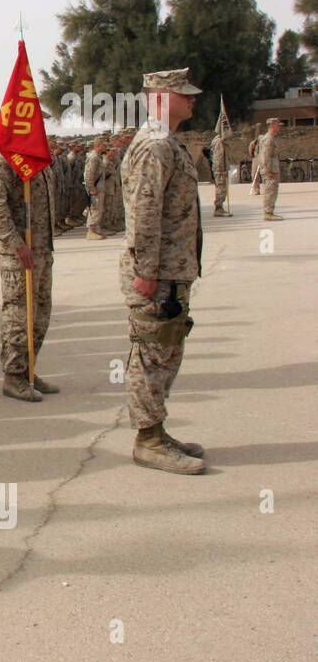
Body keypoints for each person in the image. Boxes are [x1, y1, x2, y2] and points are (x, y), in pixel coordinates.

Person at [121, 70, 206, 475]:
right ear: (159, 97)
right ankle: (148, 441)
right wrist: (146, 271)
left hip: (172, 271)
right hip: (157, 274)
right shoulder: (155, 146)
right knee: (151, 355)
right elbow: (144, 213)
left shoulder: (168, 142)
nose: (192, 98)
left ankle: (157, 429)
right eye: (182, 93)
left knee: (166, 352)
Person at [0, 150, 59, 402]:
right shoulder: (4, 158)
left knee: (40, 314)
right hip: (19, 252)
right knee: (19, 313)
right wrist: (16, 244)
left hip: (41, 249)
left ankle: (28, 371)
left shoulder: (35, 154)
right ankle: (13, 376)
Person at [257, 118, 284, 220]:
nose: (279, 127)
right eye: (278, 125)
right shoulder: (268, 139)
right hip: (270, 170)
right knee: (270, 191)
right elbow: (266, 156)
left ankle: (270, 212)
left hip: (272, 169)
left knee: (272, 191)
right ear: (272, 126)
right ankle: (268, 213)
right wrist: (268, 170)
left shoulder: (271, 138)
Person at [83, 137, 108, 240]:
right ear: (98, 145)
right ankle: (91, 231)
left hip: (99, 187)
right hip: (95, 188)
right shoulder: (93, 157)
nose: (105, 147)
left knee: (98, 209)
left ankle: (95, 229)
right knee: (95, 209)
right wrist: (92, 188)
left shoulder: (98, 156)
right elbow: (89, 174)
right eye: (104, 145)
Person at [210, 128, 232, 217]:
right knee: (221, 188)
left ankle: (220, 207)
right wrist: (222, 170)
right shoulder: (219, 141)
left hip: (221, 168)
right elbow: (219, 157)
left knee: (222, 188)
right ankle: (218, 208)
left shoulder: (221, 141)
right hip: (220, 170)